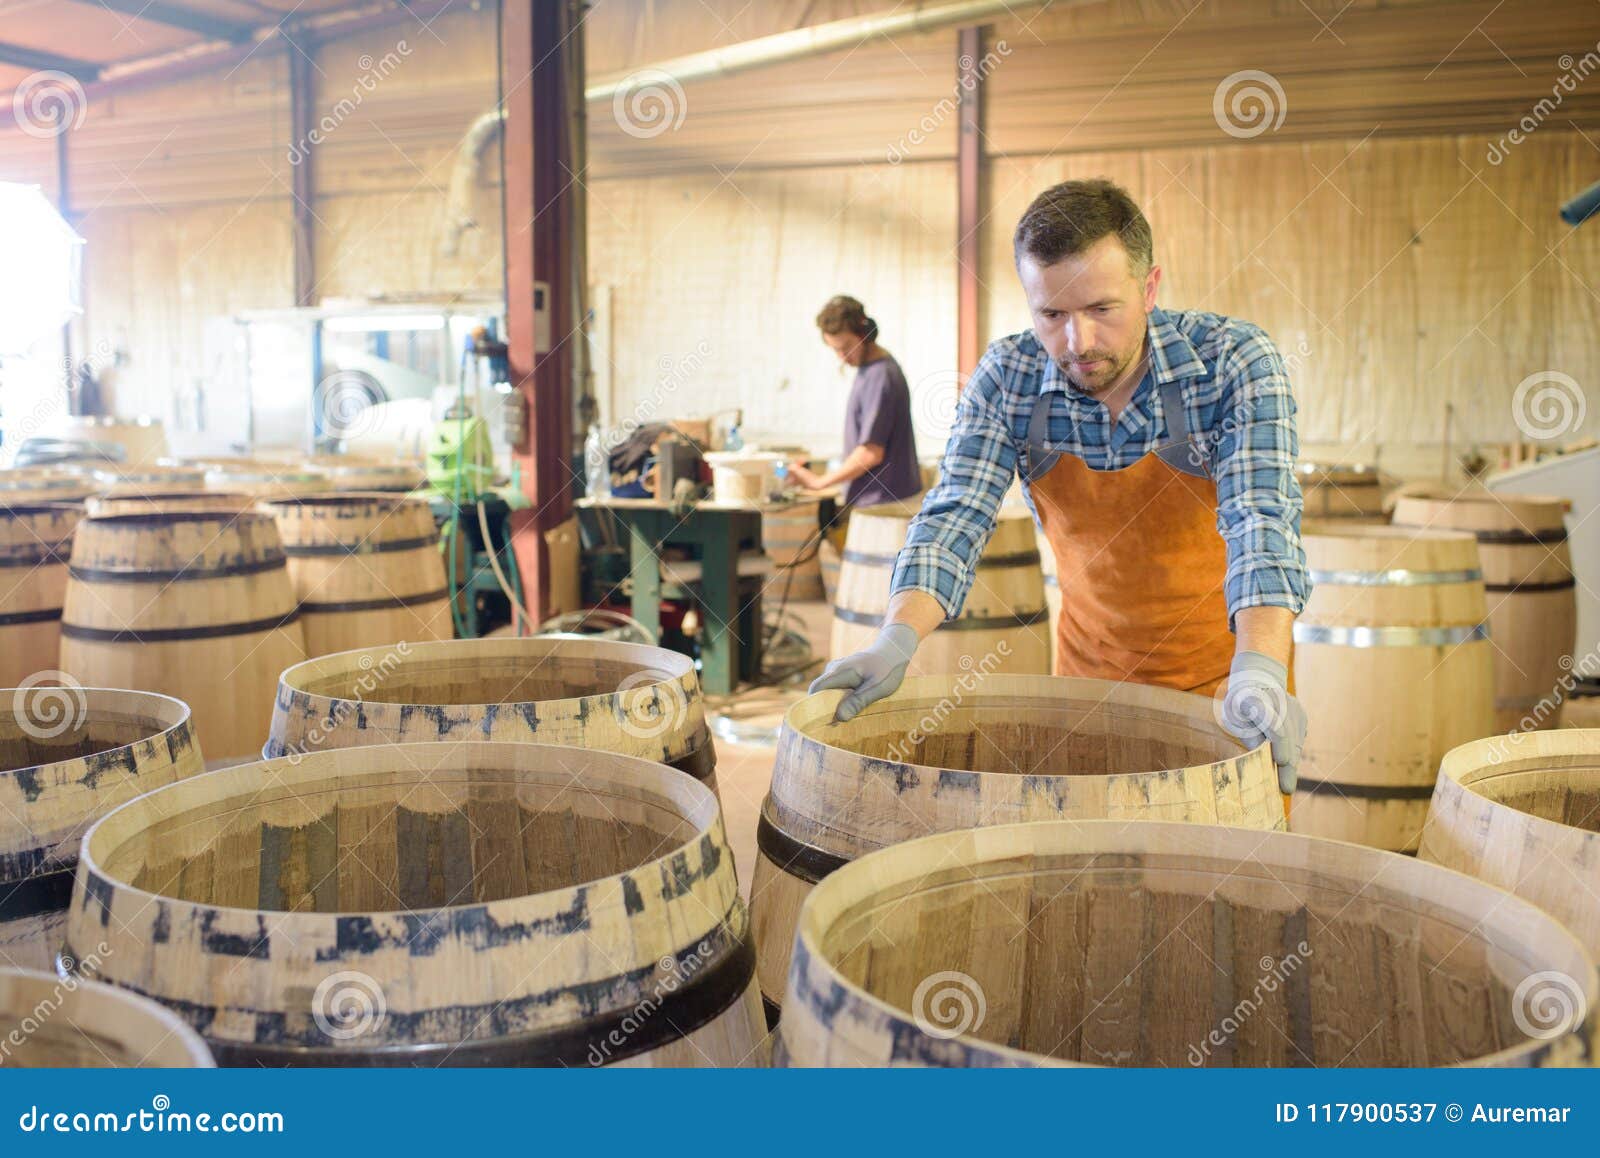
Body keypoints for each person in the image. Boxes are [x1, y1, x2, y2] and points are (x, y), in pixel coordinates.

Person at [810, 179, 1311, 793]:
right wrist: (895, 638)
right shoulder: (1008, 378)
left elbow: (1261, 522)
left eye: (1102, 309)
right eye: (1052, 314)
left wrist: (1260, 668)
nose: (1079, 344)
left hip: (1229, 686)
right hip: (1088, 684)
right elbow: (955, 516)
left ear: (1149, 287)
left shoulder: (1233, 363)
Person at [787, 295, 921, 509]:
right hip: (876, 500)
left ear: (865, 334)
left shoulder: (880, 375)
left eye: (847, 346)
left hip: (885, 504)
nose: (842, 356)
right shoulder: (869, 371)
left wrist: (820, 481)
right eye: (836, 350)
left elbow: (870, 453)